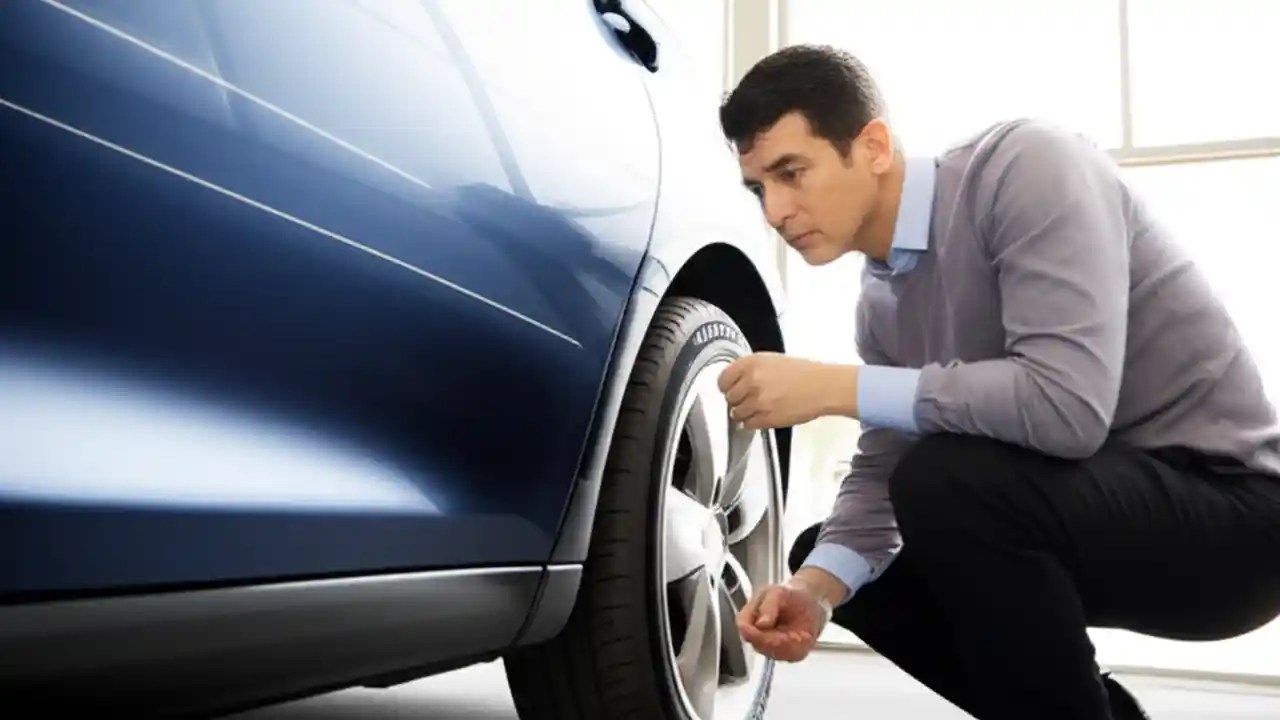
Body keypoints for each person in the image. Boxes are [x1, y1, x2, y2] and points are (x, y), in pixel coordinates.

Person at [714, 44, 1280, 720]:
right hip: (1089, 514)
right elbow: (882, 473)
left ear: (871, 146)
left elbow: (1067, 408)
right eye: (759, 189)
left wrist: (837, 387)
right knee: (841, 558)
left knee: (947, 480)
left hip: (1236, 524)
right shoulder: (882, 304)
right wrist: (813, 590)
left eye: (791, 172)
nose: (775, 211)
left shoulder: (1027, 168)